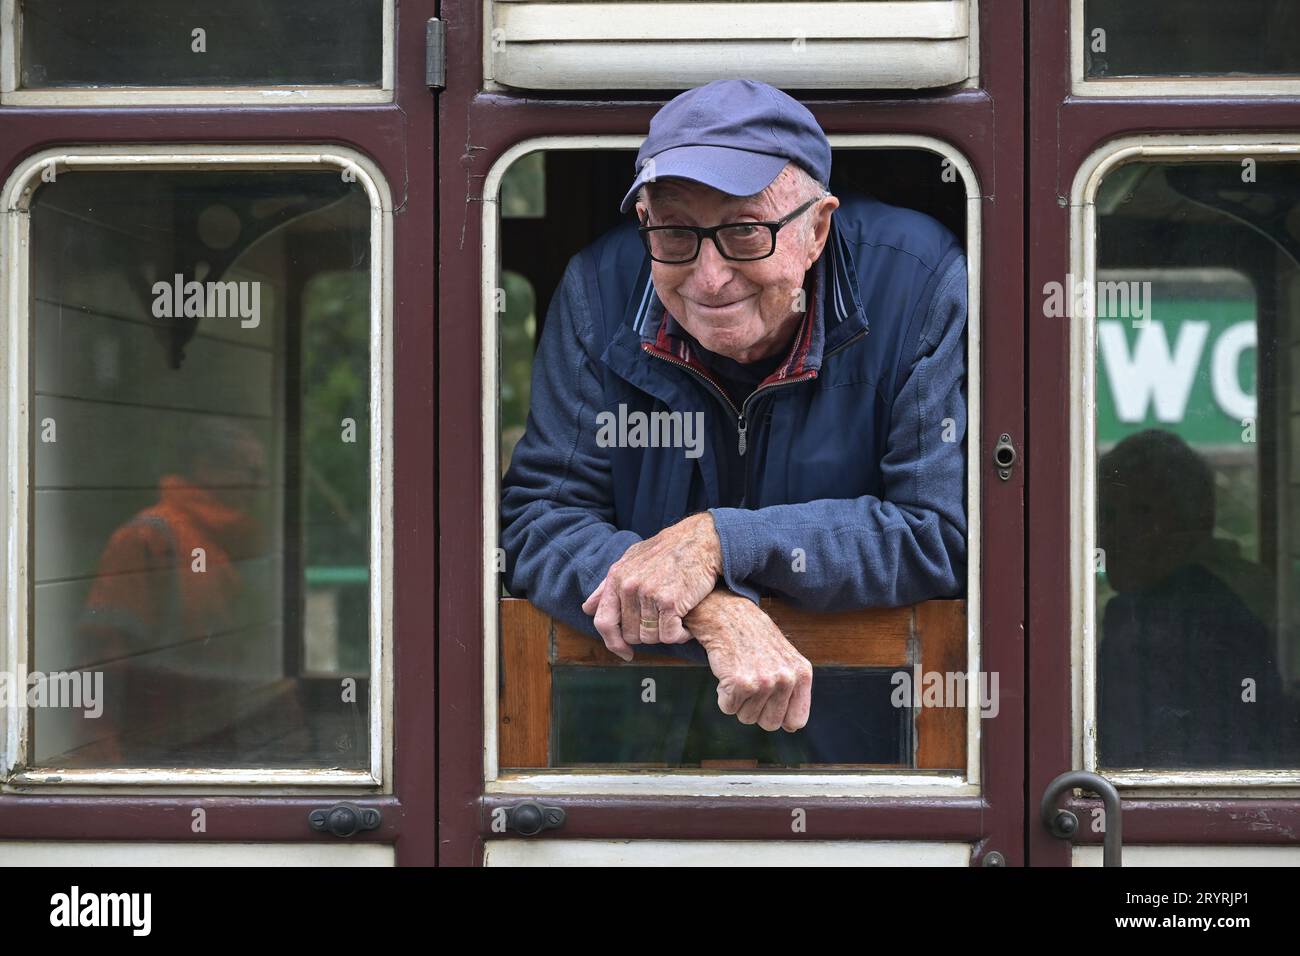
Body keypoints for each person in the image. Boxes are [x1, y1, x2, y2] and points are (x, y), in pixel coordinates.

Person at [501, 79, 968, 757]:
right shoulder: (599, 289)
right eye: (676, 232)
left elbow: (938, 534)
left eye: (745, 231)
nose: (710, 276)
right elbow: (539, 521)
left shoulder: (918, 282)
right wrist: (706, 608)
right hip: (627, 748)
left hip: (868, 755)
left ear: (817, 228)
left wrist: (721, 543)